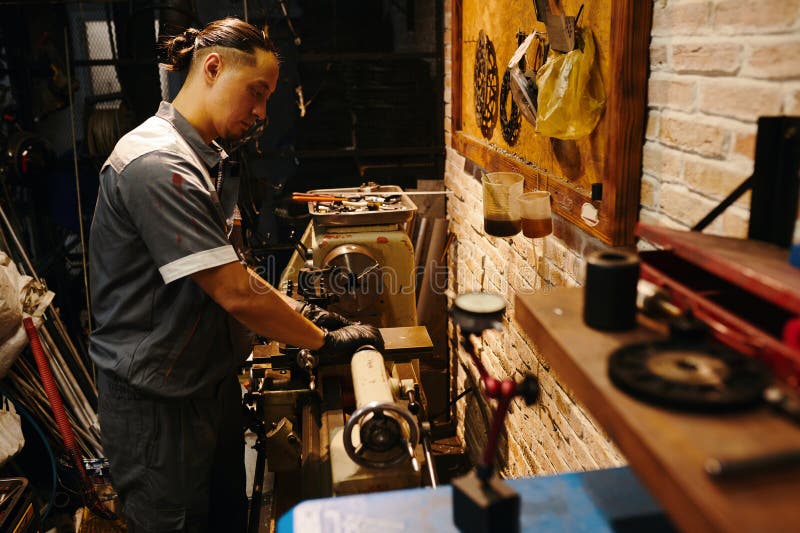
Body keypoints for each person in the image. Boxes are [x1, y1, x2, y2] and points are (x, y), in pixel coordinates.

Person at [88, 17, 382, 532]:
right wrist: (320, 342)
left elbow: (233, 272)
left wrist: (302, 312)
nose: (262, 112)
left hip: (204, 387)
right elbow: (234, 293)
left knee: (226, 518)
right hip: (160, 407)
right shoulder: (159, 165)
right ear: (213, 67)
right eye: (257, 93)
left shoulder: (203, 161)